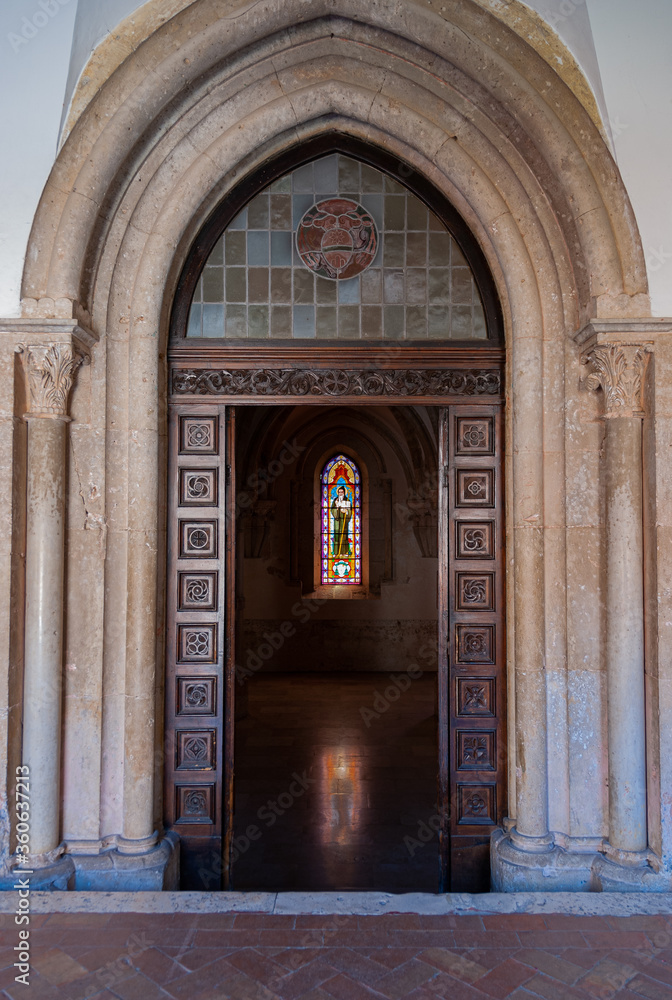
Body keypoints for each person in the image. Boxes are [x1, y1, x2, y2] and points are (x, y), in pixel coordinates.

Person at [331, 484, 352, 557]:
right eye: (339, 492)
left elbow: (350, 511)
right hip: (337, 521)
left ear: (344, 493)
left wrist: (346, 511)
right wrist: (336, 508)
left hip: (344, 521)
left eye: (342, 492)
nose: (340, 493)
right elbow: (332, 510)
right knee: (337, 536)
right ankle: (336, 552)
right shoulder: (335, 500)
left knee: (344, 536)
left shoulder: (347, 500)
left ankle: (344, 552)